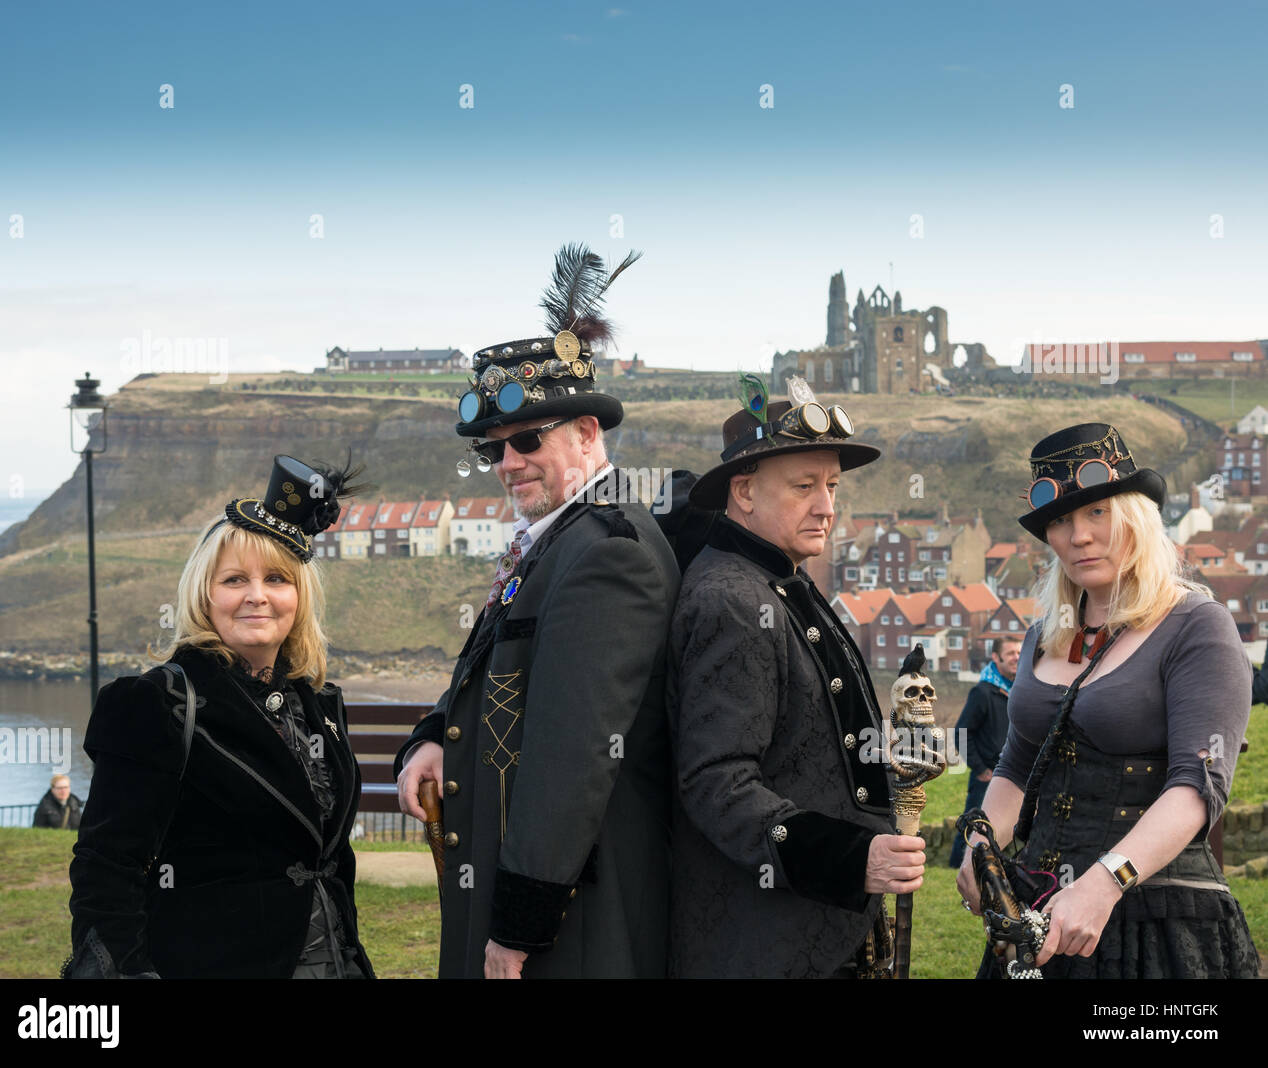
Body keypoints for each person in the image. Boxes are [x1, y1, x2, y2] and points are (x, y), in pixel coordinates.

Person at [394, 244, 680, 979]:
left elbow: (573, 754)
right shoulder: (561, 538)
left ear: (587, 433)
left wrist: (520, 924)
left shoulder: (606, 551)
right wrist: (431, 735)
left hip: (570, 923)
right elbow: (495, 664)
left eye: (527, 441)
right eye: (493, 451)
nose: (508, 463)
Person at [957, 423, 1259, 978]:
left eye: (1098, 513)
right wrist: (982, 843)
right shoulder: (1042, 635)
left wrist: (1103, 882)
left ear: (1138, 518)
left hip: (1154, 920)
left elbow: (1198, 786)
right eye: (1062, 520)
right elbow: (1019, 764)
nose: (1079, 537)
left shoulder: (1198, 627)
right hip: (1039, 916)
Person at [66, 455, 375, 979]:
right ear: (205, 595)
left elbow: (332, 861)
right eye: (234, 580)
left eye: (276, 578)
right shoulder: (155, 703)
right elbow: (106, 869)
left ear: (299, 597)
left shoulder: (318, 704)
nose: (257, 596)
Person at [665, 376, 927, 978]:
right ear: (745, 492)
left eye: (832, 486)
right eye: (804, 486)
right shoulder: (731, 600)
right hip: (764, 945)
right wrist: (852, 857)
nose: (827, 506)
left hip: (818, 933)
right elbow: (716, 782)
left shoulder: (778, 579)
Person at [947, 637, 1019, 867]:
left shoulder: (1019, 691)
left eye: (1019, 652)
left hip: (1014, 774)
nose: (1016, 657)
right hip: (987, 776)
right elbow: (961, 732)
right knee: (974, 824)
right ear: (996, 658)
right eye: (1009, 654)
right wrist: (979, 768)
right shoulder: (983, 692)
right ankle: (957, 868)